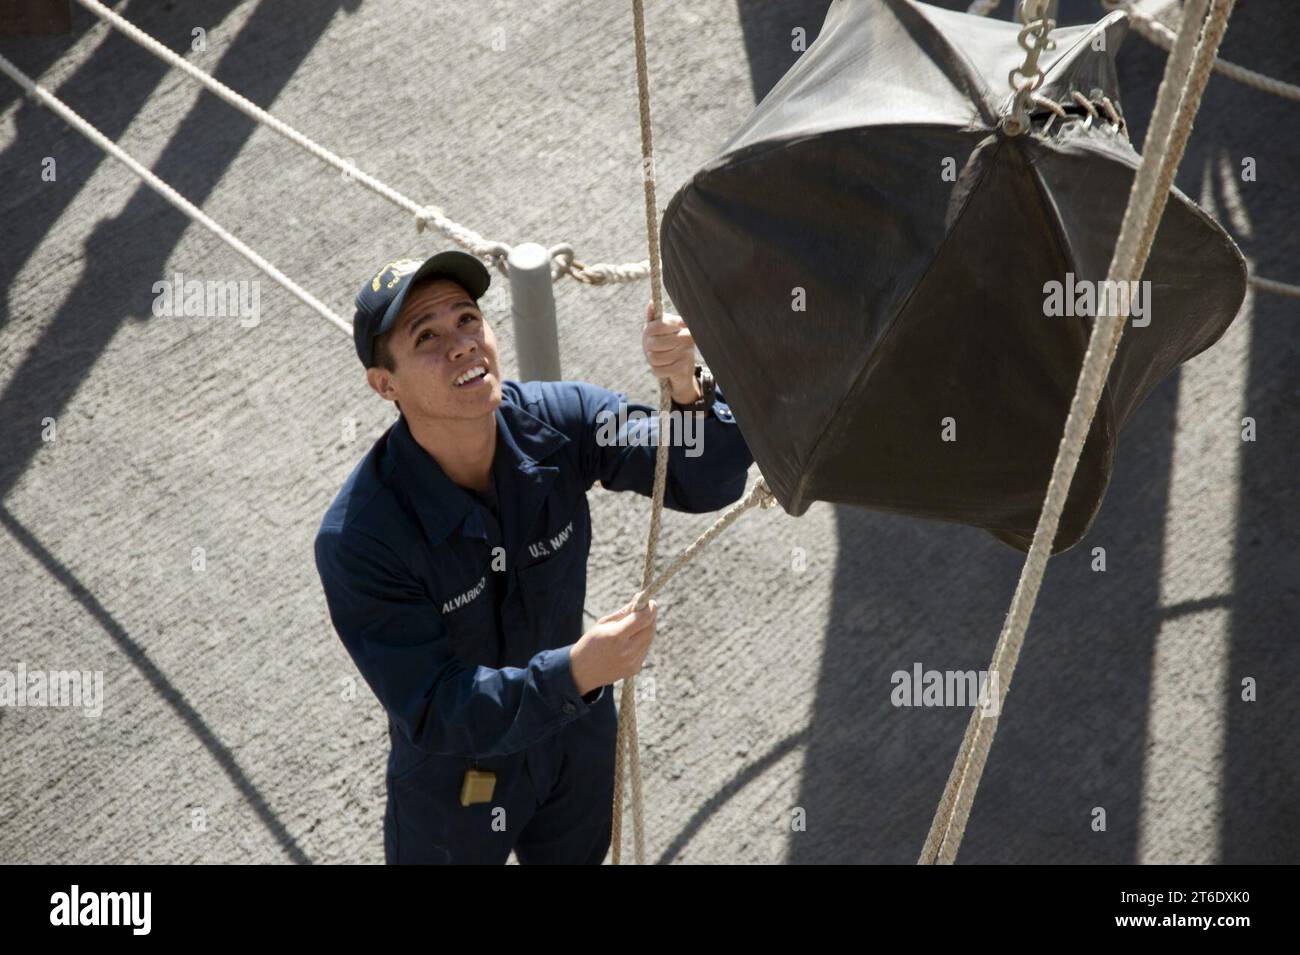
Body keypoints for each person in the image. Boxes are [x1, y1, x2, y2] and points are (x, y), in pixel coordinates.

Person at [314, 250, 754, 863]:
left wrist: (687, 384)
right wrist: (574, 673)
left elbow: (697, 479)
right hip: (456, 779)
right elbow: (437, 707)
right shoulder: (361, 539)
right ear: (385, 384)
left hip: (575, 741)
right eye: (428, 336)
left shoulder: (561, 421)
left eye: (468, 319)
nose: (462, 344)